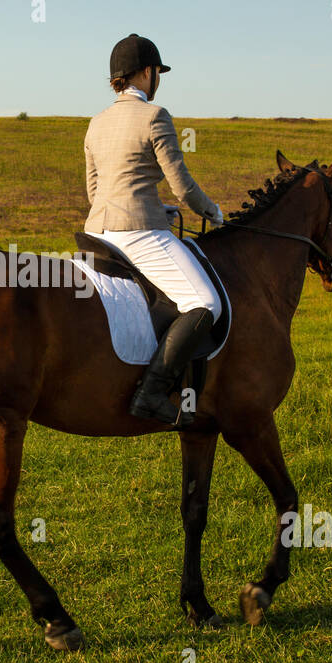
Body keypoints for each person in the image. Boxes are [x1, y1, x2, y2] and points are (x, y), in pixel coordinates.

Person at [83, 34, 224, 426]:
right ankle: (152, 394)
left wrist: (153, 203)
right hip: (139, 234)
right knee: (205, 303)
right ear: (148, 73)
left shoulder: (96, 122)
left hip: (98, 233)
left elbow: (96, 190)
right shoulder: (155, 115)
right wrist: (211, 211)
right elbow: (181, 184)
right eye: (157, 72)